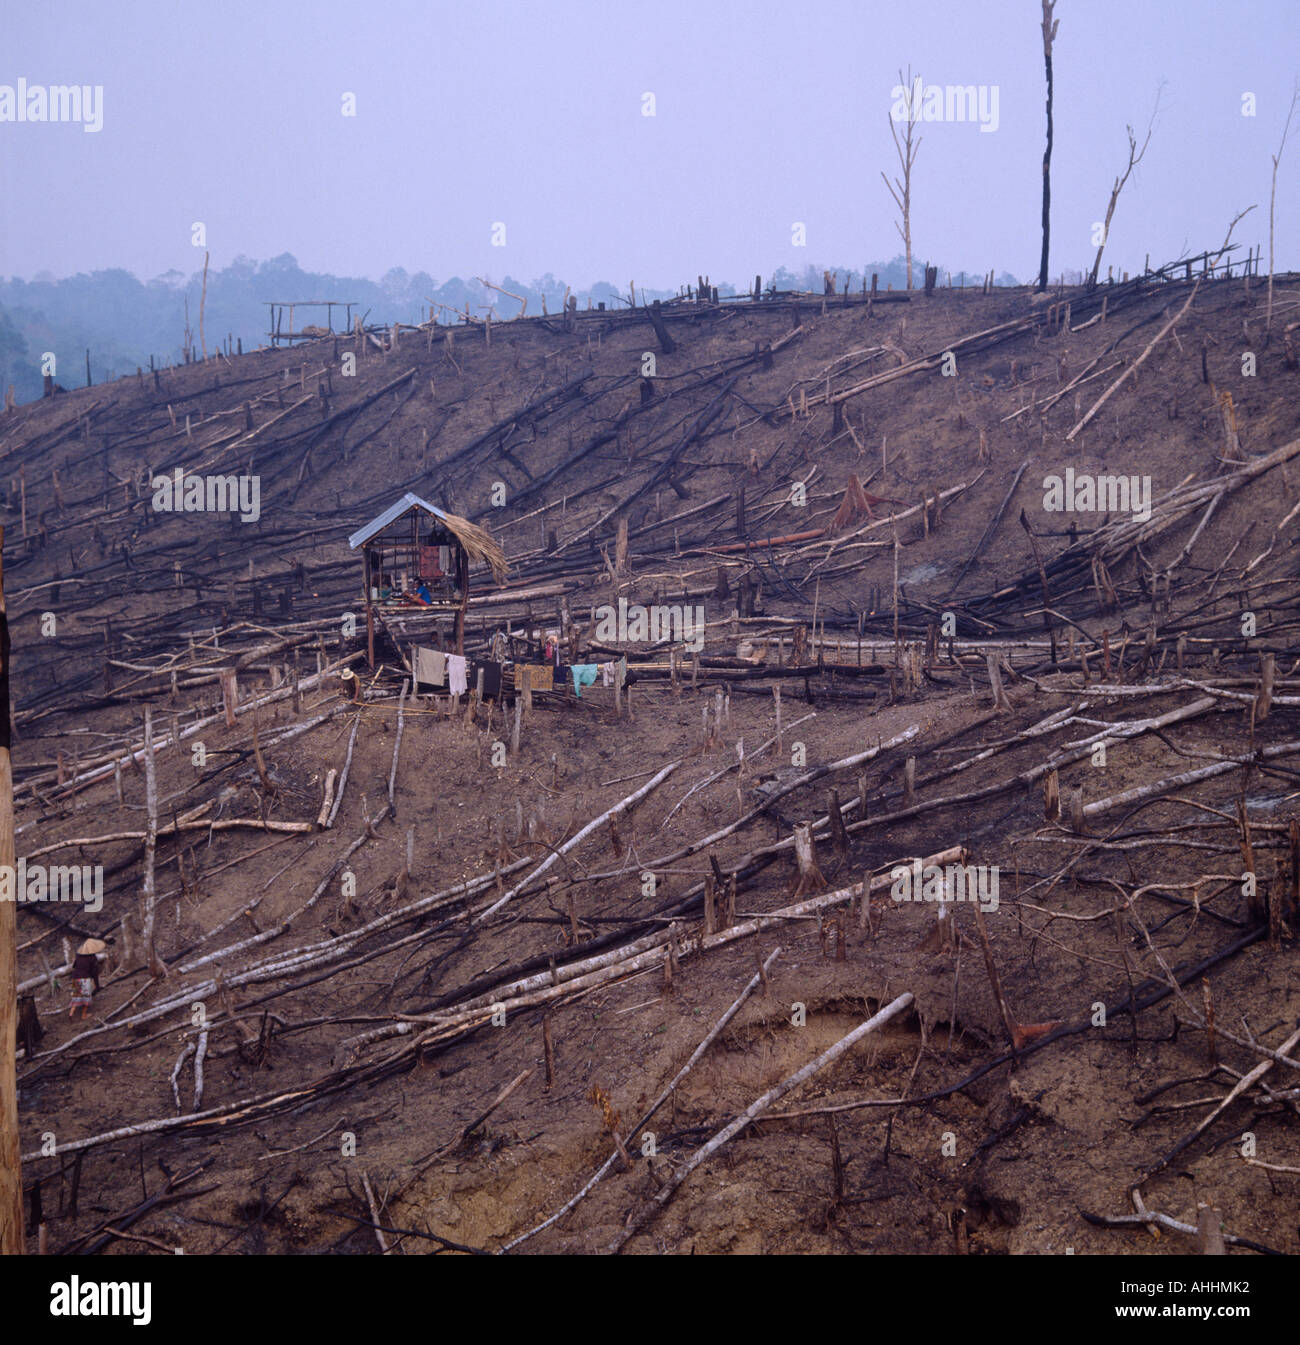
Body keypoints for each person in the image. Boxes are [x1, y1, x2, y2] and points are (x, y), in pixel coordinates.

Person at [69, 938, 106, 1018]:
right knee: (86, 997)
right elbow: (94, 973)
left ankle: (71, 1013)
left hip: (75, 977)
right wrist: (97, 986)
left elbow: (74, 966)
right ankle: (84, 1015)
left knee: (76, 995)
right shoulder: (92, 958)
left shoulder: (78, 956)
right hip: (85, 978)